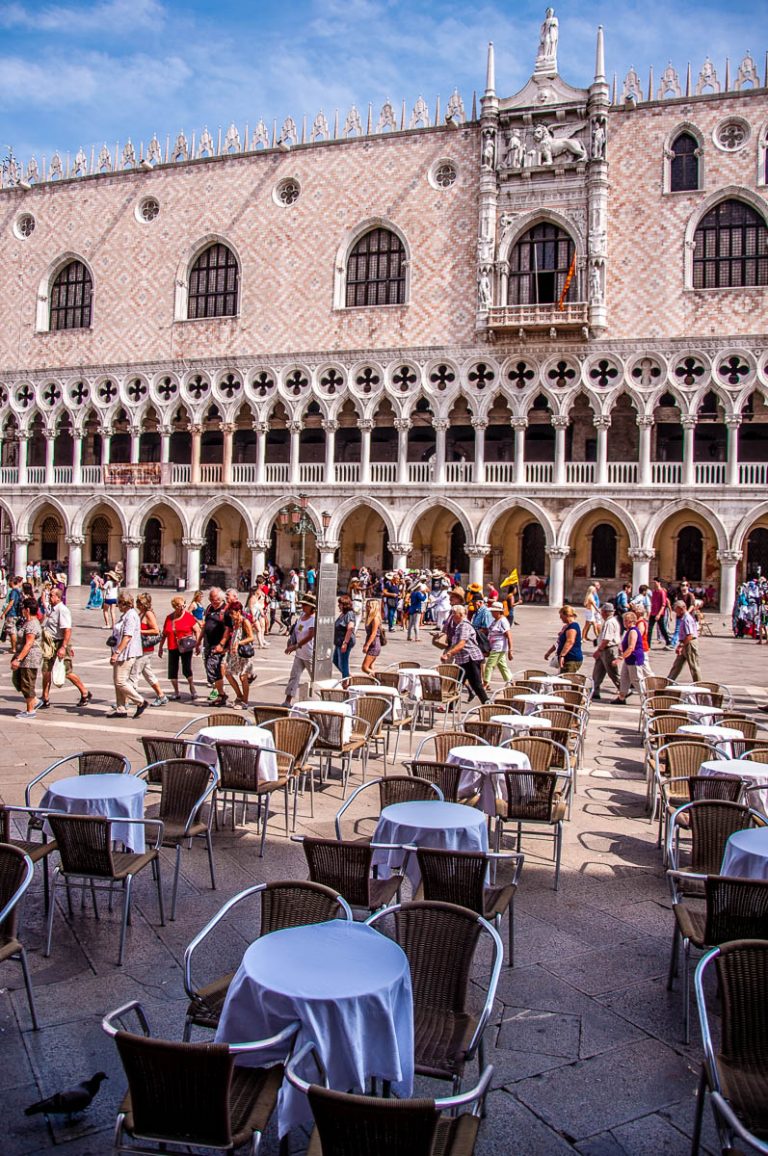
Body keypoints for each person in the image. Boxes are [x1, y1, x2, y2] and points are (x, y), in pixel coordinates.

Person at [39, 587, 92, 709]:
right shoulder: (53, 608)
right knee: (46, 671)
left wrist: (64, 647)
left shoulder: (62, 610)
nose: (49, 597)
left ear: (58, 597)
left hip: (59, 643)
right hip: (50, 644)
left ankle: (85, 692)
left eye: (51, 595)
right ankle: (45, 698)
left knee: (66, 672)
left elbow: (67, 630)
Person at [107, 592, 148, 719]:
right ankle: (121, 709)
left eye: (119, 603)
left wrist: (117, 653)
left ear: (125, 603)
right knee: (117, 681)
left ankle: (140, 701)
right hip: (121, 652)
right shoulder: (125, 615)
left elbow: (127, 636)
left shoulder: (131, 616)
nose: (117, 606)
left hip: (126, 653)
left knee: (120, 682)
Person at [442, 604, 488, 703]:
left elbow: (461, 643)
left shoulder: (464, 626)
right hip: (463, 659)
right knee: (457, 683)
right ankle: (451, 706)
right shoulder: (459, 625)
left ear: (460, 614)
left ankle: (488, 703)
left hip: (470, 658)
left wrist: (448, 654)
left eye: (454, 614)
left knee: (476, 684)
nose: (452, 616)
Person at [158, 594, 201, 701]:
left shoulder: (188, 617)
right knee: (172, 670)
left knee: (187, 668)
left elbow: (197, 630)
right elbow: (164, 634)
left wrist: (197, 644)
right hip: (172, 646)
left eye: (184, 605)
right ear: (175, 607)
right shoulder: (169, 618)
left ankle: (192, 687)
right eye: (181, 606)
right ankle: (176, 691)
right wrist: (160, 647)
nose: (183, 608)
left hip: (186, 646)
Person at [129, 593, 168, 707]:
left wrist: (139, 631)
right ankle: (161, 696)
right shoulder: (141, 613)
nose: (137, 604)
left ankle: (126, 701)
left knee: (134, 674)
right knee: (148, 674)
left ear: (144, 603)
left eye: (139, 602)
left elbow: (156, 630)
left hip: (145, 649)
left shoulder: (148, 614)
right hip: (140, 648)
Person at [197, 587, 232, 705]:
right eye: (211, 599)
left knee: (212, 667)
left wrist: (222, 644)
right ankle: (220, 694)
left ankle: (220, 693)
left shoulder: (226, 610)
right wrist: (198, 641)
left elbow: (228, 629)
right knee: (210, 669)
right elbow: (205, 625)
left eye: (215, 599)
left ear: (221, 598)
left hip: (218, 645)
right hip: (208, 643)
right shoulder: (209, 608)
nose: (213, 601)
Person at [10, 596, 42, 717]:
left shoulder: (32, 624)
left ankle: (30, 711)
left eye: (23, 608)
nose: (22, 610)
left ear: (27, 610)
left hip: (29, 659)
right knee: (19, 681)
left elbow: (29, 644)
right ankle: (35, 701)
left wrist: (18, 659)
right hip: (24, 658)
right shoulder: (28, 622)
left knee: (27, 683)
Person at [222, 600, 257, 707]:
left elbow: (251, 637)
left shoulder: (245, 622)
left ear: (239, 611)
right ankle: (239, 695)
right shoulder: (234, 622)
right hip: (234, 653)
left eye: (232, 613)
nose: (231, 615)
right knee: (228, 673)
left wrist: (239, 643)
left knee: (243, 677)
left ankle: (245, 702)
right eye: (230, 613)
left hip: (243, 653)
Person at [283, 593, 316, 705]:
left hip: (309, 653)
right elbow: (296, 630)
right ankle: (287, 701)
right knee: (294, 676)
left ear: (312, 607)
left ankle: (324, 699)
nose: (303, 607)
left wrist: (296, 646)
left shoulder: (313, 619)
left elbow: (310, 636)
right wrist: (291, 641)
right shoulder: (302, 616)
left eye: (305, 605)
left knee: (315, 678)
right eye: (302, 604)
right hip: (299, 653)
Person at [612, 611, 646, 704]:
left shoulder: (633, 631)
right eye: (624, 620)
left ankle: (646, 699)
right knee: (624, 678)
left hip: (634, 659)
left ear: (632, 621)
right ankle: (621, 697)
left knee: (637, 680)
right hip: (628, 659)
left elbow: (631, 647)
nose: (624, 623)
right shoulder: (629, 631)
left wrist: (620, 658)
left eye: (626, 621)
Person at [591, 602, 621, 700]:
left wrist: (599, 650)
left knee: (612, 672)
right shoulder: (610, 621)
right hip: (605, 649)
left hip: (608, 649)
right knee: (598, 671)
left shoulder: (610, 622)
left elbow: (607, 639)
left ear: (605, 612)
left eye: (602, 611)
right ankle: (595, 690)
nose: (601, 613)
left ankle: (623, 689)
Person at [667, 599, 702, 682]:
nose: (675, 612)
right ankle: (669, 682)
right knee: (677, 665)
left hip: (689, 643)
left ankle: (699, 684)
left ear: (681, 608)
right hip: (684, 642)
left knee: (693, 666)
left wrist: (681, 646)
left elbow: (690, 635)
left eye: (676, 610)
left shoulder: (687, 619)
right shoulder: (683, 618)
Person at [483, 601, 514, 690]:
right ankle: (511, 682)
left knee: (489, 665)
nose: (492, 613)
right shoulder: (495, 621)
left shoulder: (503, 621)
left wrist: (510, 650)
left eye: (493, 611)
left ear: (498, 612)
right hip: (494, 646)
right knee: (502, 666)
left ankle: (485, 683)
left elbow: (509, 635)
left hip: (498, 647)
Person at [546, 606, 583, 673]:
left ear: (567, 615)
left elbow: (570, 641)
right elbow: (558, 642)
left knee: (567, 678)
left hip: (571, 659)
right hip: (567, 659)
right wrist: (549, 652)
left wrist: (562, 656)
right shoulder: (566, 627)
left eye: (561, 615)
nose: (560, 618)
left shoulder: (573, 627)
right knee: (562, 677)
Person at [333, 595, 356, 679]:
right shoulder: (343, 614)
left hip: (344, 641)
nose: (338, 605)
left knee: (343, 662)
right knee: (335, 660)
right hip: (339, 641)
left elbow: (350, 628)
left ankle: (346, 680)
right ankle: (348, 676)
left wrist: (345, 643)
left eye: (340, 604)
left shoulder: (349, 614)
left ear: (345, 605)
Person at [648, 577, 672, 649]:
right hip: (653, 613)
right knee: (649, 629)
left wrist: (659, 614)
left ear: (659, 583)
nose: (654, 584)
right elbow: (652, 603)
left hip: (659, 613)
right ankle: (648, 644)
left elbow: (663, 604)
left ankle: (668, 641)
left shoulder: (662, 592)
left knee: (662, 629)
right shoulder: (654, 592)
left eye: (655, 582)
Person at [361, 598, 383, 674]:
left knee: (364, 667)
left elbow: (373, 634)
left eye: (369, 606)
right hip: (373, 643)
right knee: (370, 667)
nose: (366, 608)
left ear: (373, 607)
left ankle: (379, 678)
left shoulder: (375, 618)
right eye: (366, 606)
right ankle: (375, 679)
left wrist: (367, 645)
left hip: (374, 644)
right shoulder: (370, 618)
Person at [1, 576, 23, 651]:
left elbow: (11, 603)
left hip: (12, 613)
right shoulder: (19, 591)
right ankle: (13, 647)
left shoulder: (13, 591)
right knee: (12, 630)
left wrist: (4, 613)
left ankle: (14, 648)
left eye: (9, 582)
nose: (8, 583)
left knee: (11, 631)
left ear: (12, 582)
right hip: (16, 613)